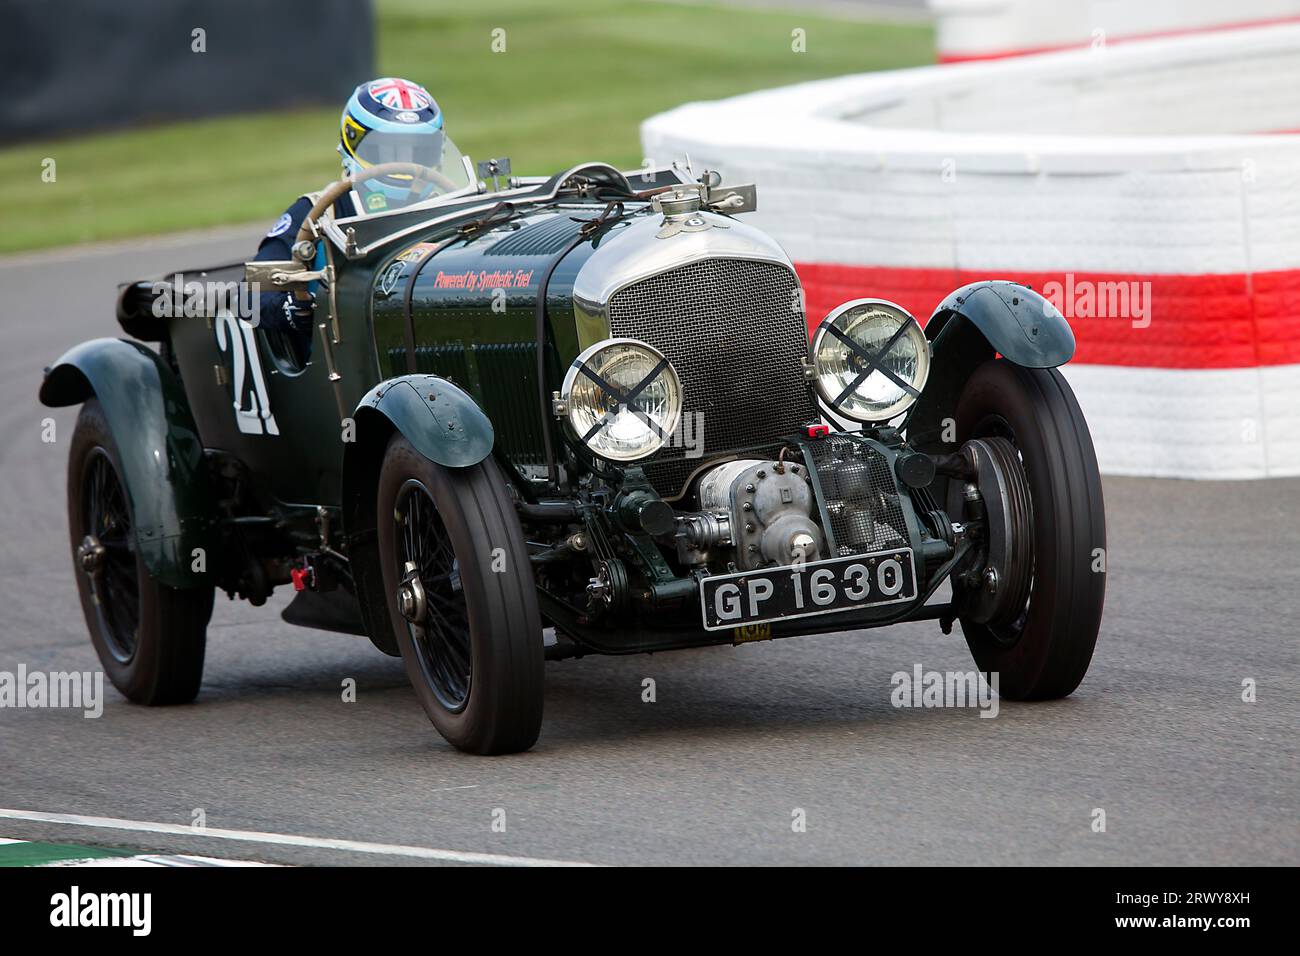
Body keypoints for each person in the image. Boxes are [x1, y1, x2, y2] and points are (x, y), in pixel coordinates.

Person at [253, 77, 449, 337]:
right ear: (353, 141)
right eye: (390, 151)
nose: (406, 163)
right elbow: (251, 294)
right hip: (343, 354)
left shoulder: (449, 204)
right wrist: (295, 308)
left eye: (419, 151)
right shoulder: (316, 212)